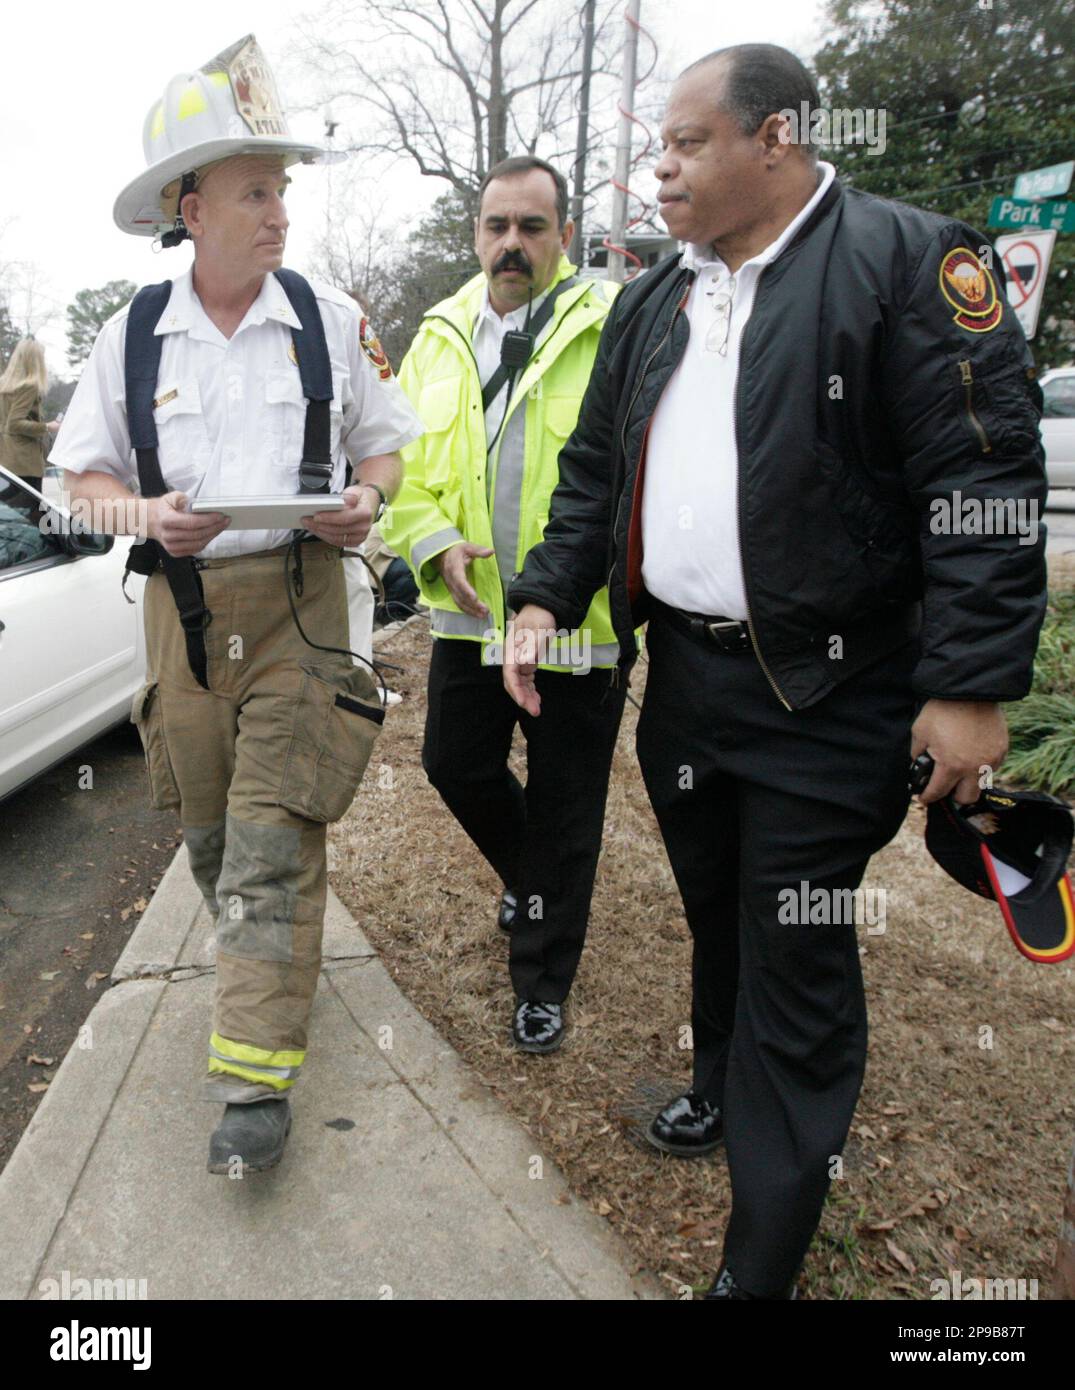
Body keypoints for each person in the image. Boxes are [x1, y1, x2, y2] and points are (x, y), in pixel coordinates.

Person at [505, 44, 1047, 1298]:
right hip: (690, 690)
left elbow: (981, 478)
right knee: (719, 916)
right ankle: (715, 1087)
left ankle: (761, 1261)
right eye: (658, 147)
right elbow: (596, 470)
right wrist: (542, 596)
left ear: (778, 139)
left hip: (830, 694)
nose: (661, 167)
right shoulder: (654, 299)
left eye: (686, 143)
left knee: (795, 949)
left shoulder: (909, 260)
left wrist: (967, 685)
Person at [51, 34, 422, 1175]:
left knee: (271, 840)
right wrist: (145, 516)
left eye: (282, 189)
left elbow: (387, 454)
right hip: (186, 616)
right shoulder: (128, 336)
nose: (278, 212)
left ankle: (254, 1081)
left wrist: (363, 500)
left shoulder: (331, 316)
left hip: (306, 608)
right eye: (255, 190)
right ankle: (264, 968)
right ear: (190, 204)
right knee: (214, 841)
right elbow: (80, 487)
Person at [381, 156, 629, 1055]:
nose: (511, 244)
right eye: (496, 227)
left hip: (576, 624)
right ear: (476, 235)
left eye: (532, 226)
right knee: (456, 764)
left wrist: (570, 596)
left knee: (566, 803)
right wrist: (434, 544)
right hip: (473, 616)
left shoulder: (611, 325)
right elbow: (400, 471)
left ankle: (541, 976)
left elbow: (618, 480)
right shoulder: (439, 333)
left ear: (563, 234)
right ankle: (543, 890)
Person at [0, 338, 60, 503]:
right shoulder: (30, 386)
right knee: (32, 515)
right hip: (25, 463)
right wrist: (48, 426)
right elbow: (15, 423)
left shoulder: (4, 386)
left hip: (6, 460)